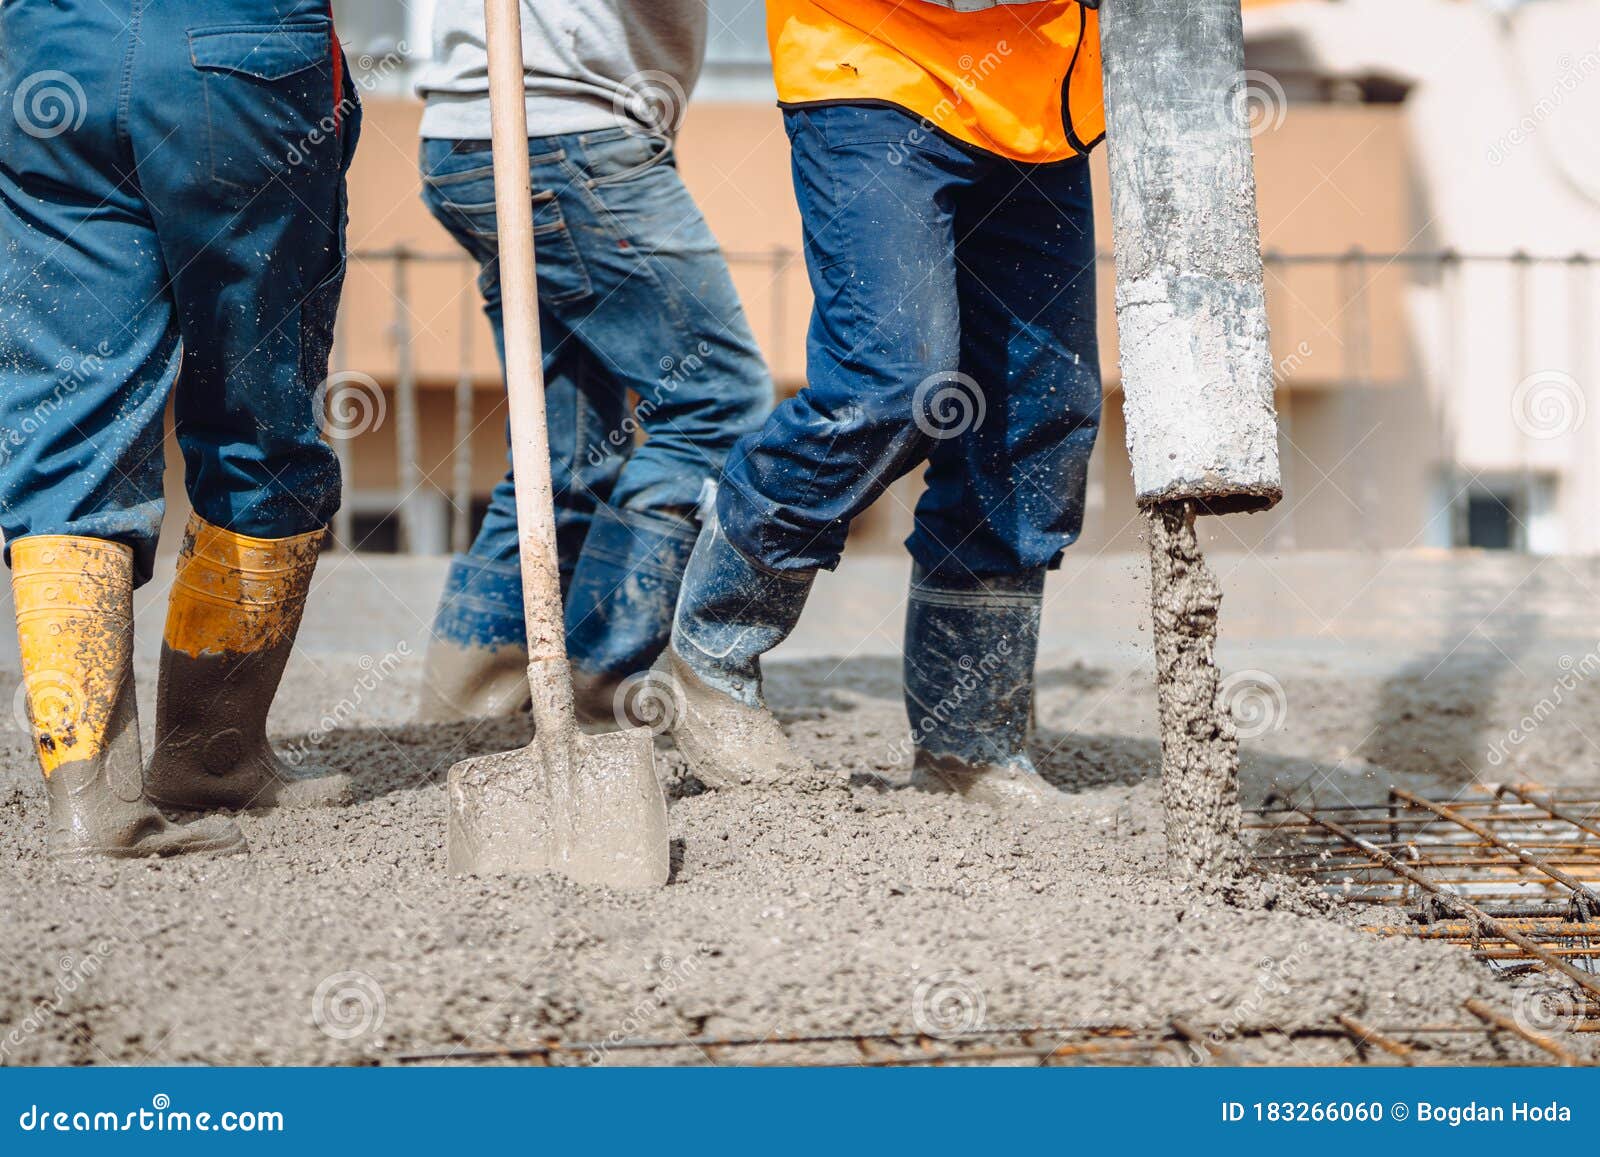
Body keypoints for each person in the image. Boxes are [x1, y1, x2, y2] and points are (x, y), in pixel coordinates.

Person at [665, 0, 1106, 805]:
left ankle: (969, 740)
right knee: (892, 384)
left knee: (1038, 418)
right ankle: (715, 647)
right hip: (872, 61)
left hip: (1035, 100)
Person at [0, 1, 360, 859]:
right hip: (235, 52)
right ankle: (213, 757)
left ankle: (92, 799)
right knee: (259, 411)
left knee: (67, 418)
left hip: (53, 53)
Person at [413, 1, 773, 725]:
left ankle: (471, 700)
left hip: (474, 129)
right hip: (564, 127)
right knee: (717, 400)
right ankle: (603, 682)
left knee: (562, 450)